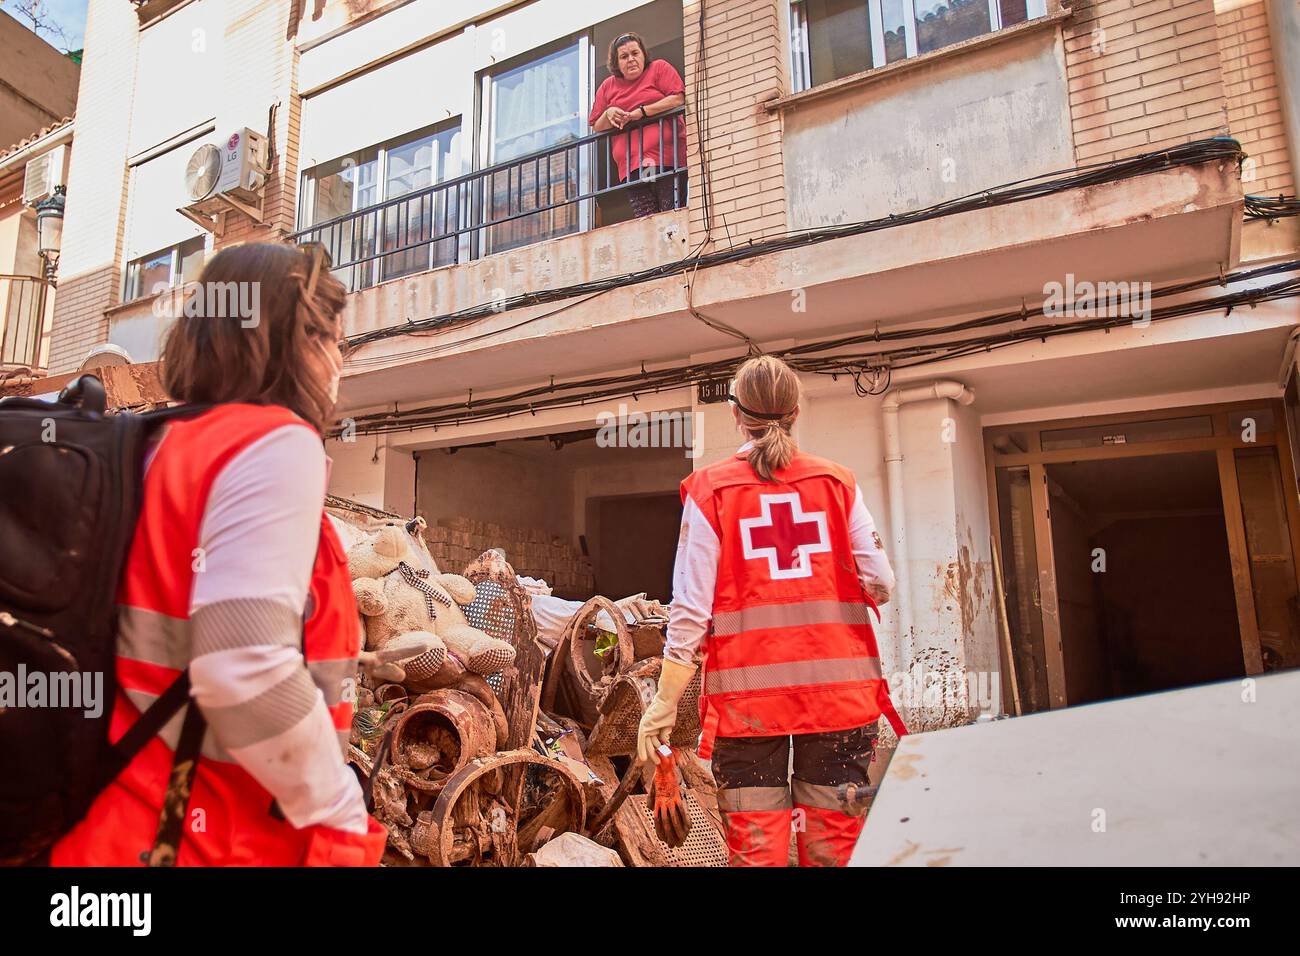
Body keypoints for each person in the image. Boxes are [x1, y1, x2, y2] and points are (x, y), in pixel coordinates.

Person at [51, 242, 387, 866]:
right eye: (333, 340)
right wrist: (341, 809)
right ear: (291, 340)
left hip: (108, 828)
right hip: (199, 841)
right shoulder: (271, 443)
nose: (340, 361)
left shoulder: (158, 446)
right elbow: (244, 664)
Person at [635, 355, 907, 867]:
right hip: (839, 698)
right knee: (834, 849)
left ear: (736, 414)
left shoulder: (711, 490)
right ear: (796, 412)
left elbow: (690, 611)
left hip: (748, 705)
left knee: (757, 850)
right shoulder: (837, 483)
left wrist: (665, 703)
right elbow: (881, 583)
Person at [589, 31, 688, 218]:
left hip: (666, 160)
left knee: (669, 216)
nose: (631, 60)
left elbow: (678, 99)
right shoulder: (608, 86)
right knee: (648, 220)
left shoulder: (658, 69)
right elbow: (596, 125)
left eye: (635, 53)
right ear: (617, 63)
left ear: (644, 54)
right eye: (624, 56)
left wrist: (641, 113)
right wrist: (609, 113)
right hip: (633, 167)